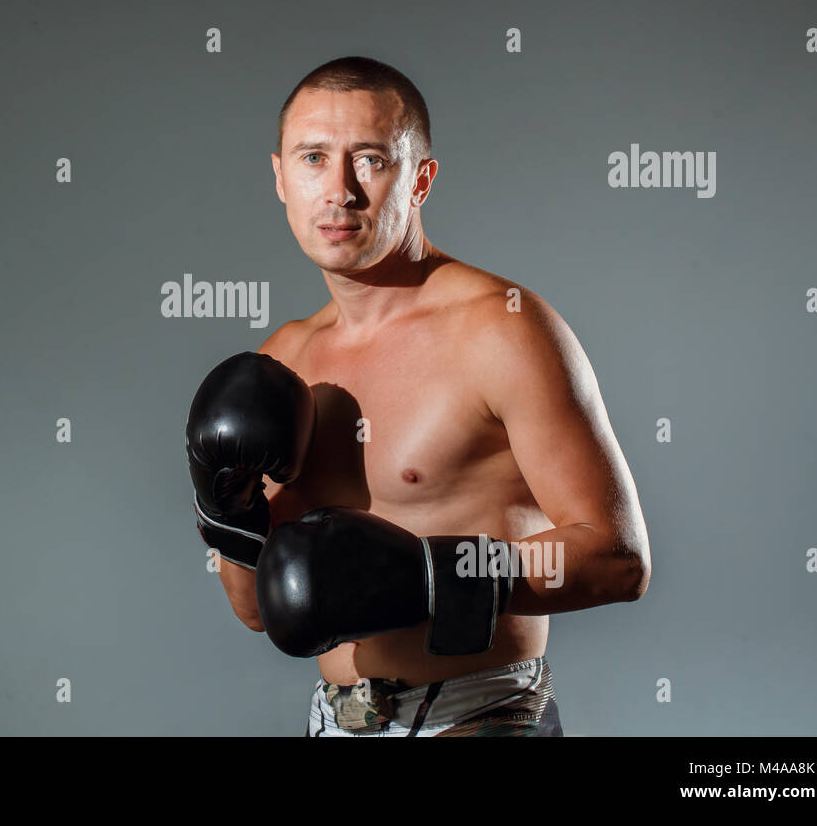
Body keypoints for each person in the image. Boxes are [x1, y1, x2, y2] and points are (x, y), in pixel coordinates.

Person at [185, 56, 651, 736]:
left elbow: (617, 559)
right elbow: (257, 610)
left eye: (370, 159)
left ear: (421, 178)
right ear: (281, 178)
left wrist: (434, 578)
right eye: (313, 158)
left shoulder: (502, 328)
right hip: (333, 723)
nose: (339, 189)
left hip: (480, 717)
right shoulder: (281, 359)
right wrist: (222, 506)